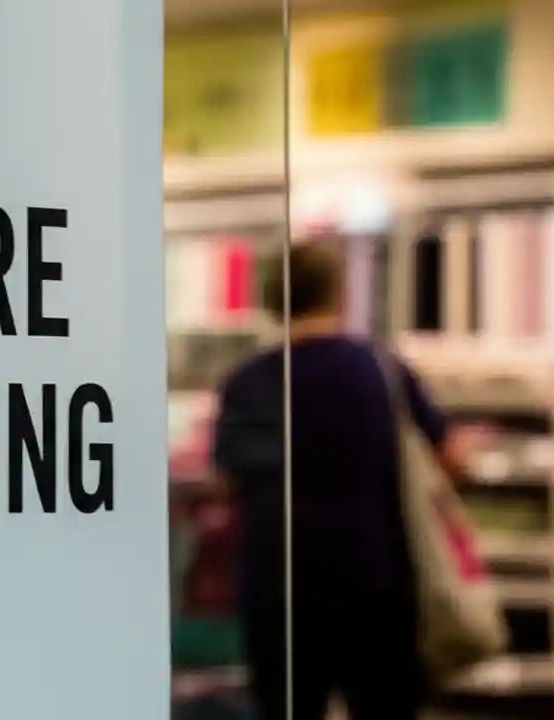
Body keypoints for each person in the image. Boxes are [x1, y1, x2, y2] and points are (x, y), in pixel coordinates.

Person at [211, 243, 468, 720]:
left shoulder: (248, 381)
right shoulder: (380, 368)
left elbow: (226, 481)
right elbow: (448, 459)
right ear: (337, 292)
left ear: (271, 298)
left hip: (280, 586)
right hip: (375, 580)